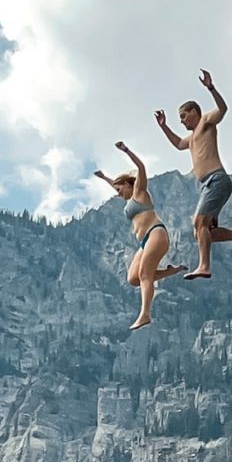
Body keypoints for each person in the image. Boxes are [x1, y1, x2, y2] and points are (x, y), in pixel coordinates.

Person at [155, 69, 232, 280]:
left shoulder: (206, 122)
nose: (181, 121)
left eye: (183, 116)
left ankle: (204, 266)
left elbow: (223, 108)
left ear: (194, 112)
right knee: (202, 231)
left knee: (198, 223)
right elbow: (177, 144)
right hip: (208, 185)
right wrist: (164, 127)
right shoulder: (191, 139)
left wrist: (211, 87)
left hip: (216, 180)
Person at [95, 141, 184, 330]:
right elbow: (116, 185)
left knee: (145, 274)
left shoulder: (140, 191)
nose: (118, 194)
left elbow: (141, 167)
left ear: (129, 184)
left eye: (120, 190)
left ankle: (145, 314)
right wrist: (104, 178)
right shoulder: (128, 197)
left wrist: (126, 150)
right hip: (144, 242)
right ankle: (169, 272)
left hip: (156, 233)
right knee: (133, 279)